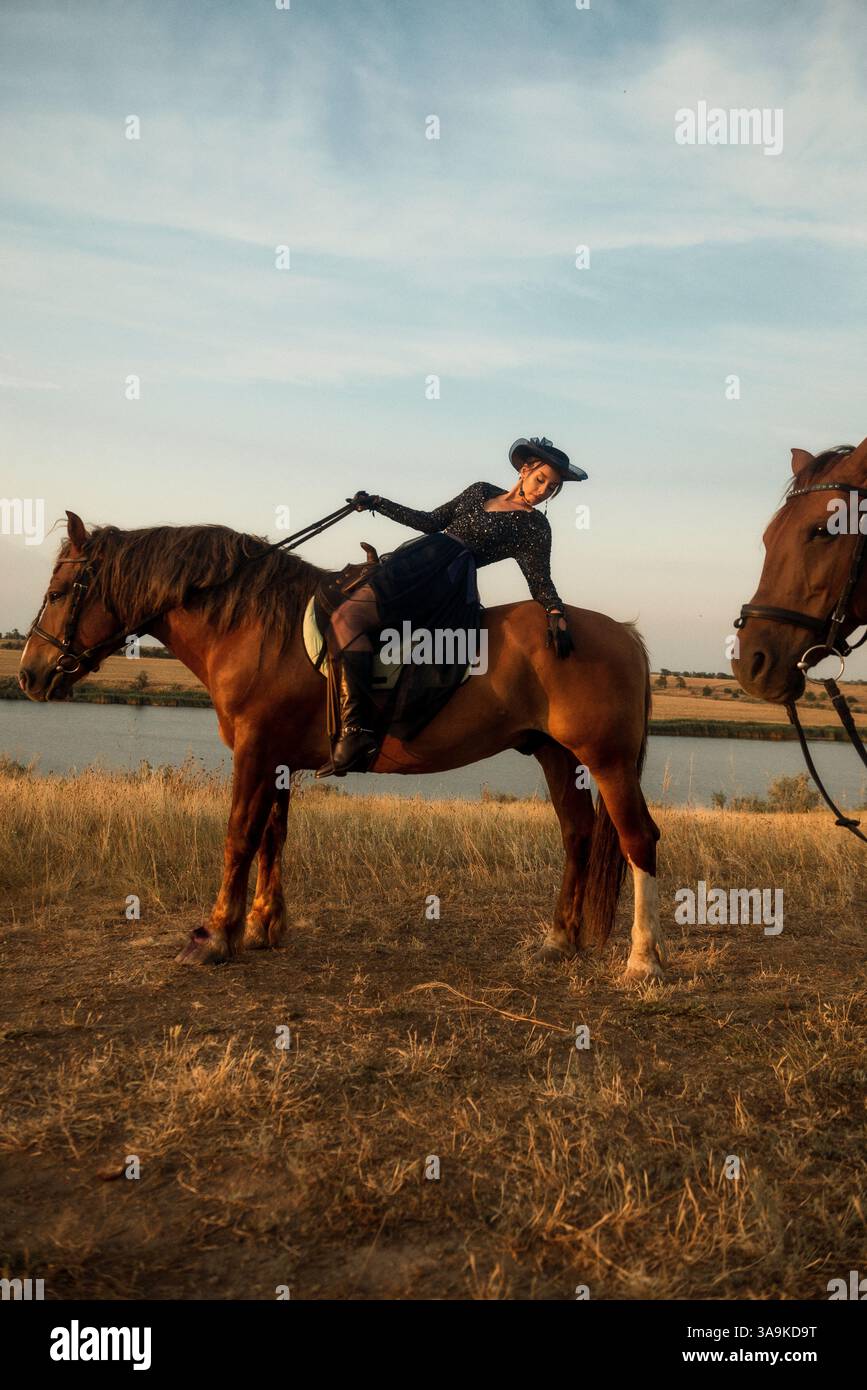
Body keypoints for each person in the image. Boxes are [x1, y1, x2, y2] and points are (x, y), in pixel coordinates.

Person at [319, 436, 587, 776]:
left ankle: (355, 732)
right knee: (343, 611)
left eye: (552, 488)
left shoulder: (534, 526)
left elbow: (539, 579)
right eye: (541, 480)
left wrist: (554, 611)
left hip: (447, 584)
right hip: (417, 560)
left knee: (348, 618)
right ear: (524, 470)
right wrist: (376, 502)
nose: (544, 490)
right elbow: (430, 521)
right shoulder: (479, 490)